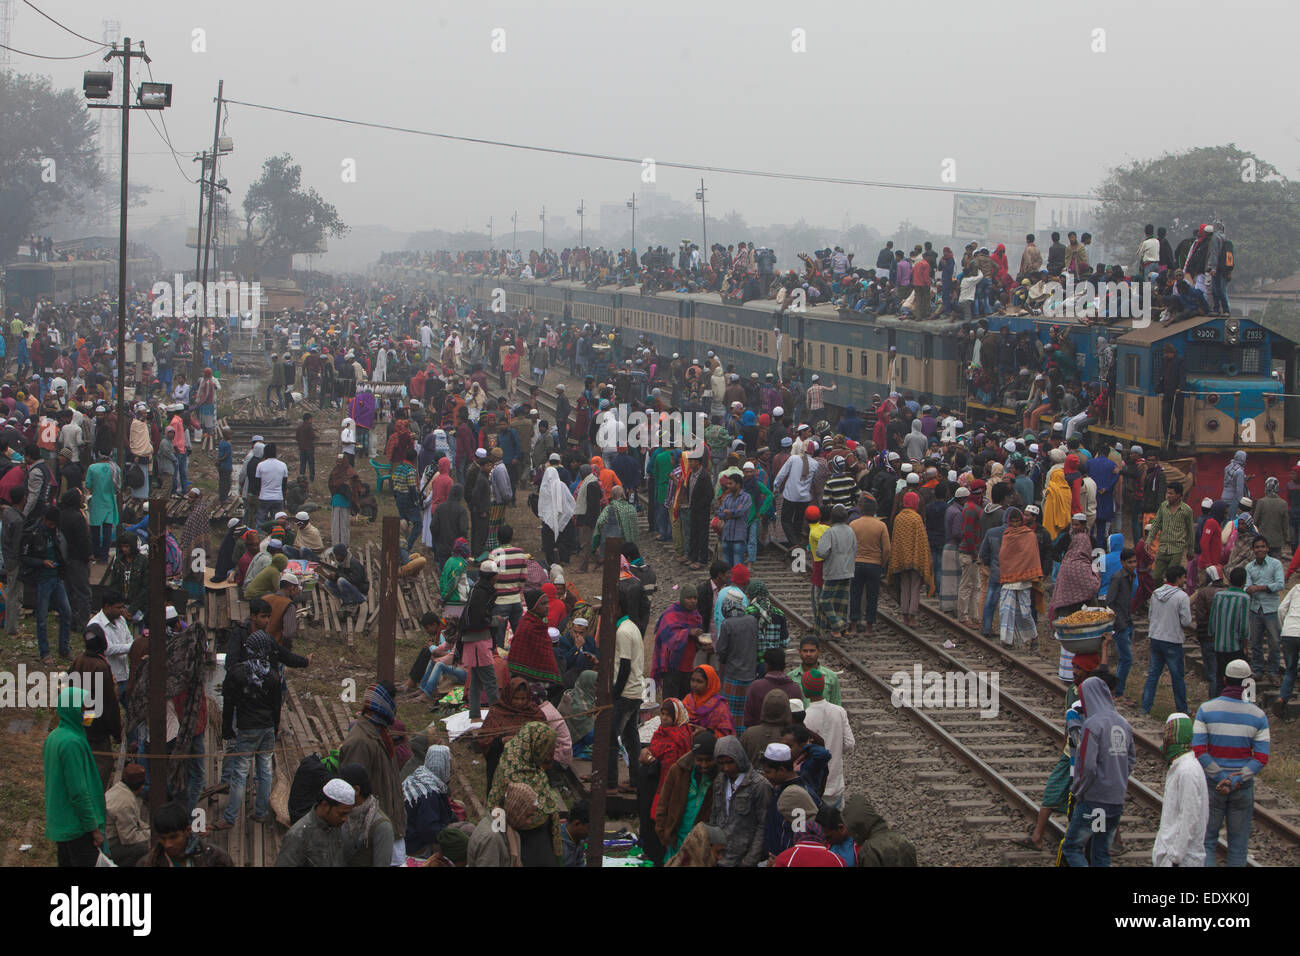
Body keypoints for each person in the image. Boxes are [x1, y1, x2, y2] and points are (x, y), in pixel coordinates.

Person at [1195, 659, 1271, 867]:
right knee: (1238, 845)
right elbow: (1261, 757)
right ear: (1248, 683)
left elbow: (1199, 750)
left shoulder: (1206, 710)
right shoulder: (1258, 716)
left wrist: (1220, 777)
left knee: (1208, 841)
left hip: (1213, 785)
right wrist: (1237, 778)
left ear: (1225, 679)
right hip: (1242, 786)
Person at [1061, 677, 1135, 867]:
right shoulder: (1123, 723)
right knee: (1100, 850)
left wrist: (1078, 790)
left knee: (1072, 847)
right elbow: (1131, 759)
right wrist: (1117, 780)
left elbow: (1087, 766)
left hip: (1094, 800)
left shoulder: (1092, 725)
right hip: (1115, 801)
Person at [338, 683, 407, 865]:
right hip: (373, 830)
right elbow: (352, 794)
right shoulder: (360, 741)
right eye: (393, 701)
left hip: (390, 823)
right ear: (384, 704)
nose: (396, 705)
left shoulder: (381, 734)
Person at [485, 723, 563, 865]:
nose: (551, 753)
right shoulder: (514, 773)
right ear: (536, 745)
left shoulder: (531, 765)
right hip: (523, 844)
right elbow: (520, 818)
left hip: (538, 840)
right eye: (548, 748)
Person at [1152, 713, 1209, 867]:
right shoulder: (1181, 766)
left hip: (1182, 859)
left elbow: (1190, 816)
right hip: (1174, 855)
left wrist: (1175, 856)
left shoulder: (1187, 770)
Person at [708, 734, 772, 867]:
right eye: (721, 764)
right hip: (720, 856)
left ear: (739, 757)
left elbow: (763, 825)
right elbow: (714, 816)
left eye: (730, 762)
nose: (726, 768)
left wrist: (749, 860)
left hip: (743, 858)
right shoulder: (720, 781)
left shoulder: (759, 785)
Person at [656, 731, 717, 860]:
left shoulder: (719, 778)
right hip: (676, 840)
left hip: (702, 845)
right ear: (693, 757)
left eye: (709, 760)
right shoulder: (678, 770)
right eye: (699, 760)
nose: (704, 765)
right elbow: (663, 802)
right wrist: (663, 832)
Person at [801, 669, 855, 809]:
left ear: (805, 691)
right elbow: (849, 743)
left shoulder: (805, 717)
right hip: (836, 784)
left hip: (815, 785)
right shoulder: (839, 711)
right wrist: (835, 748)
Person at [1143, 565, 1192, 715]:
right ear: (1178, 579)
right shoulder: (1181, 596)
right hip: (1172, 639)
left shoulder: (1156, 593)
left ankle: (1145, 707)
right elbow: (1186, 622)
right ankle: (1182, 709)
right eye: (1183, 577)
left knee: (1153, 674)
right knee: (1177, 677)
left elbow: (1150, 615)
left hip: (1156, 637)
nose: (1184, 580)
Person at [275, 778, 356, 867]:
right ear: (325, 805)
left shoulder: (335, 827)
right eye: (342, 814)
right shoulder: (298, 836)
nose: (345, 819)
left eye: (347, 814)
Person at [609, 601, 645, 793]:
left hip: (626, 692)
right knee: (631, 738)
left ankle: (610, 782)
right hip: (635, 690)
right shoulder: (631, 626)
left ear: (618, 607)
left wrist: (615, 694)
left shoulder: (623, 631)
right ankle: (635, 780)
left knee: (611, 737)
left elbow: (624, 666)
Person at [715, 586, 759, 732]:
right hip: (750, 676)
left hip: (733, 677)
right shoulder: (752, 621)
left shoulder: (728, 624)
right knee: (745, 715)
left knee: (731, 716)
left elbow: (721, 650)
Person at [138, 800, 233, 867]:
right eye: (163, 838)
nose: (168, 845)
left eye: (173, 837)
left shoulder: (216, 859)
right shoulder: (148, 863)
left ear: (187, 831)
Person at [887, 492, 934, 628]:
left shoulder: (898, 518)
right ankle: (912, 616)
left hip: (901, 558)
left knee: (904, 586)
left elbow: (896, 540)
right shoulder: (916, 518)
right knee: (914, 587)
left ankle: (905, 616)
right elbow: (922, 540)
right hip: (915, 558)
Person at [652, 582, 705, 702]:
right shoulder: (670, 614)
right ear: (682, 599)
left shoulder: (696, 616)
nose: (692, 601)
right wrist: (688, 633)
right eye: (689, 598)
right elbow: (668, 639)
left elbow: (696, 641)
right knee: (671, 703)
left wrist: (701, 643)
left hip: (688, 667)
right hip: (672, 667)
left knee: (685, 703)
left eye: (695, 598)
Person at [998, 508, 1041, 649]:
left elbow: (1031, 555)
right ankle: (1006, 640)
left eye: (1017, 521)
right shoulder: (1006, 535)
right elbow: (1004, 556)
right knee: (1006, 610)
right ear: (1009, 522)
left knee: (1024, 611)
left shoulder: (1029, 535)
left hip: (1024, 580)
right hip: (1009, 579)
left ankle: (1033, 637)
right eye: (1013, 521)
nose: (1015, 524)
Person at [402, 745, 455, 859]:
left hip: (406, 835)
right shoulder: (429, 794)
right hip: (415, 846)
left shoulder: (418, 776)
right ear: (444, 766)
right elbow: (429, 830)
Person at [1244, 535, 1284, 681]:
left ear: (1267, 548)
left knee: (1274, 642)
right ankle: (1258, 670)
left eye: (1262, 547)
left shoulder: (1276, 564)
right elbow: (1246, 586)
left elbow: (1280, 584)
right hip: (1255, 609)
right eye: (1257, 547)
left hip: (1271, 608)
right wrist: (1248, 589)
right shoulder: (1249, 567)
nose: (1260, 549)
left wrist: (1260, 587)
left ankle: (1273, 672)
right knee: (1255, 642)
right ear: (1253, 550)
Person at [849, 495, 890, 635]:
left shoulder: (854, 524)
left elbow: (849, 546)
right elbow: (887, 549)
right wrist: (881, 563)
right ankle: (869, 628)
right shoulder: (881, 525)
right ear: (874, 511)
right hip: (874, 565)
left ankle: (853, 626)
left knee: (855, 594)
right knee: (872, 596)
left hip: (857, 563)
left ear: (862, 510)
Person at [1147, 481, 1194, 586]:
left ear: (1179, 495)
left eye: (1171, 493)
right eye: (1167, 493)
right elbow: (1156, 524)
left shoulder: (1186, 510)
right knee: (1156, 577)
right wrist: (1149, 540)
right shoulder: (1163, 506)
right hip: (1163, 547)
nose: (1168, 496)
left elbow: (1190, 531)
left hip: (1176, 549)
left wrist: (1191, 550)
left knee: (1172, 577)